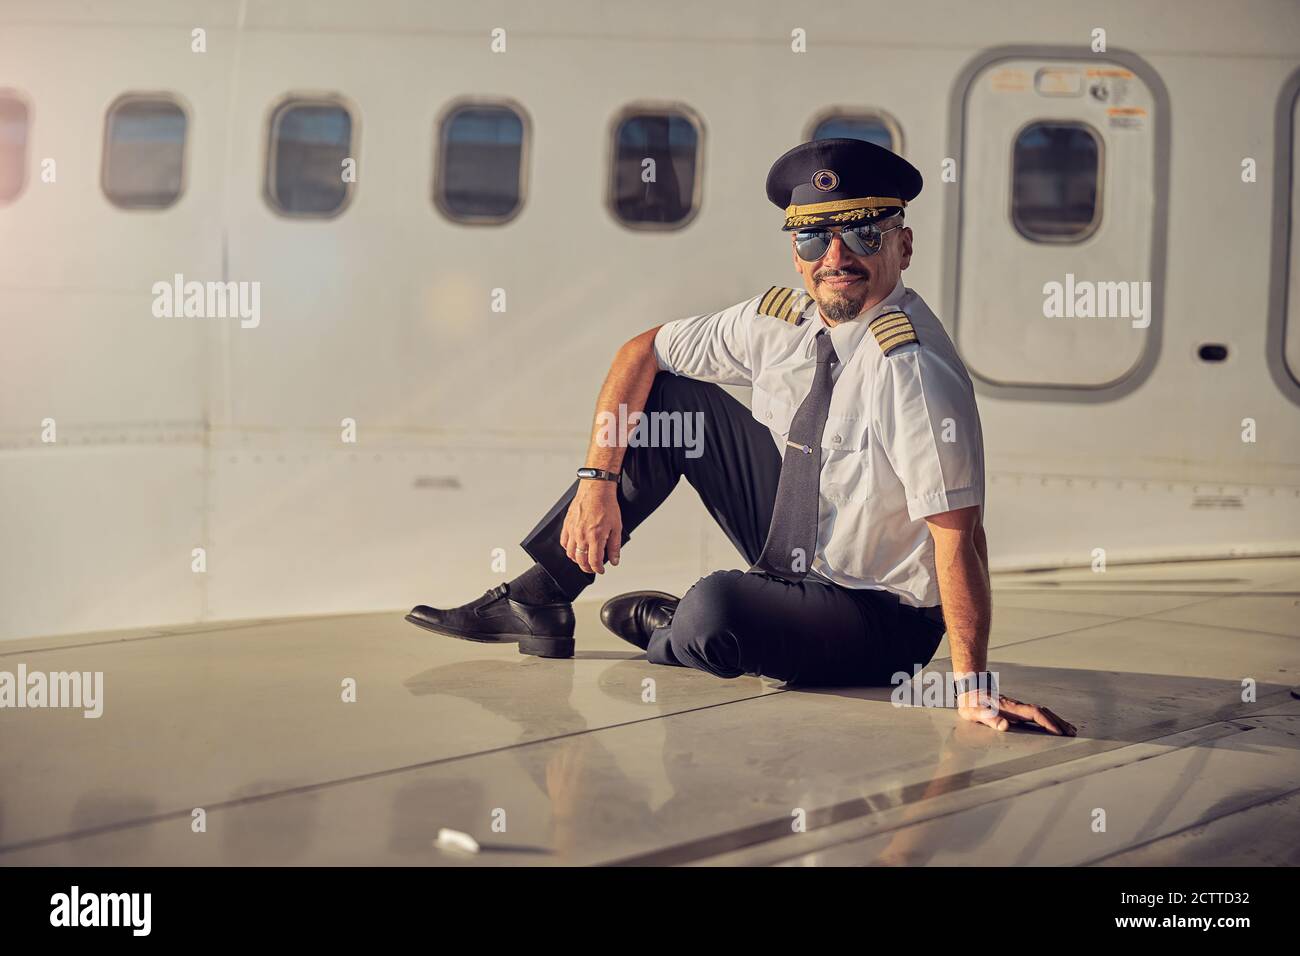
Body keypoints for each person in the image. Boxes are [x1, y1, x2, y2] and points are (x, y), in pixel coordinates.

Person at [407, 138, 1076, 737]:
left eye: (863, 236)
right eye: (814, 240)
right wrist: (596, 482)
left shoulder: (912, 370)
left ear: (902, 245)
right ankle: (541, 596)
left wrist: (972, 687)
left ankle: (676, 632)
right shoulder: (776, 319)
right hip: (800, 541)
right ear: (796, 250)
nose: (836, 258)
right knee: (672, 401)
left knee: (715, 606)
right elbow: (639, 353)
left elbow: (959, 536)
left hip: (877, 618)